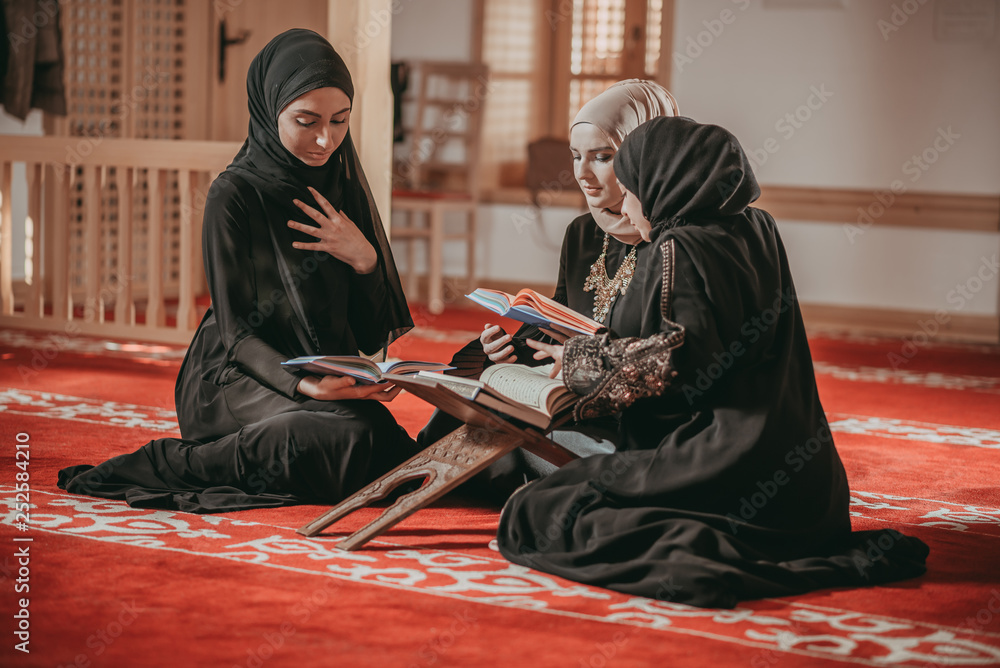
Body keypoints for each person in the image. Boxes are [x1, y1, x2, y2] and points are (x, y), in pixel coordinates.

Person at [496, 116, 929, 608]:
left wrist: (579, 360)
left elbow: (675, 364)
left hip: (725, 455)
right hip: (808, 482)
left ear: (659, 184)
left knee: (540, 511)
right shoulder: (756, 226)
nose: (628, 203)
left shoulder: (677, 247)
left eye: (630, 188)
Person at [57, 29, 418, 512]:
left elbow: (374, 333)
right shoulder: (235, 194)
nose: (325, 139)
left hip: (319, 372)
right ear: (271, 111)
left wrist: (365, 260)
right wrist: (304, 385)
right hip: (235, 376)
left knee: (378, 441)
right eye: (306, 121)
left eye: (339, 121)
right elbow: (237, 334)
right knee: (348, 436)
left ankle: (277, 441)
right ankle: (172, 461)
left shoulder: (341, 184)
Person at [418, 80, 680, 502]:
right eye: (576, 156)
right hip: (559, 396)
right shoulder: (583, 233)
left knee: (537, 446)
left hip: (619, 416)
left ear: (644, 155)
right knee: (472, 402)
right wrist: (502, 350)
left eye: (604, 157)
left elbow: (670, 361)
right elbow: (553, 325)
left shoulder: (673, 244)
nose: (581, 173)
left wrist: (589, 367)